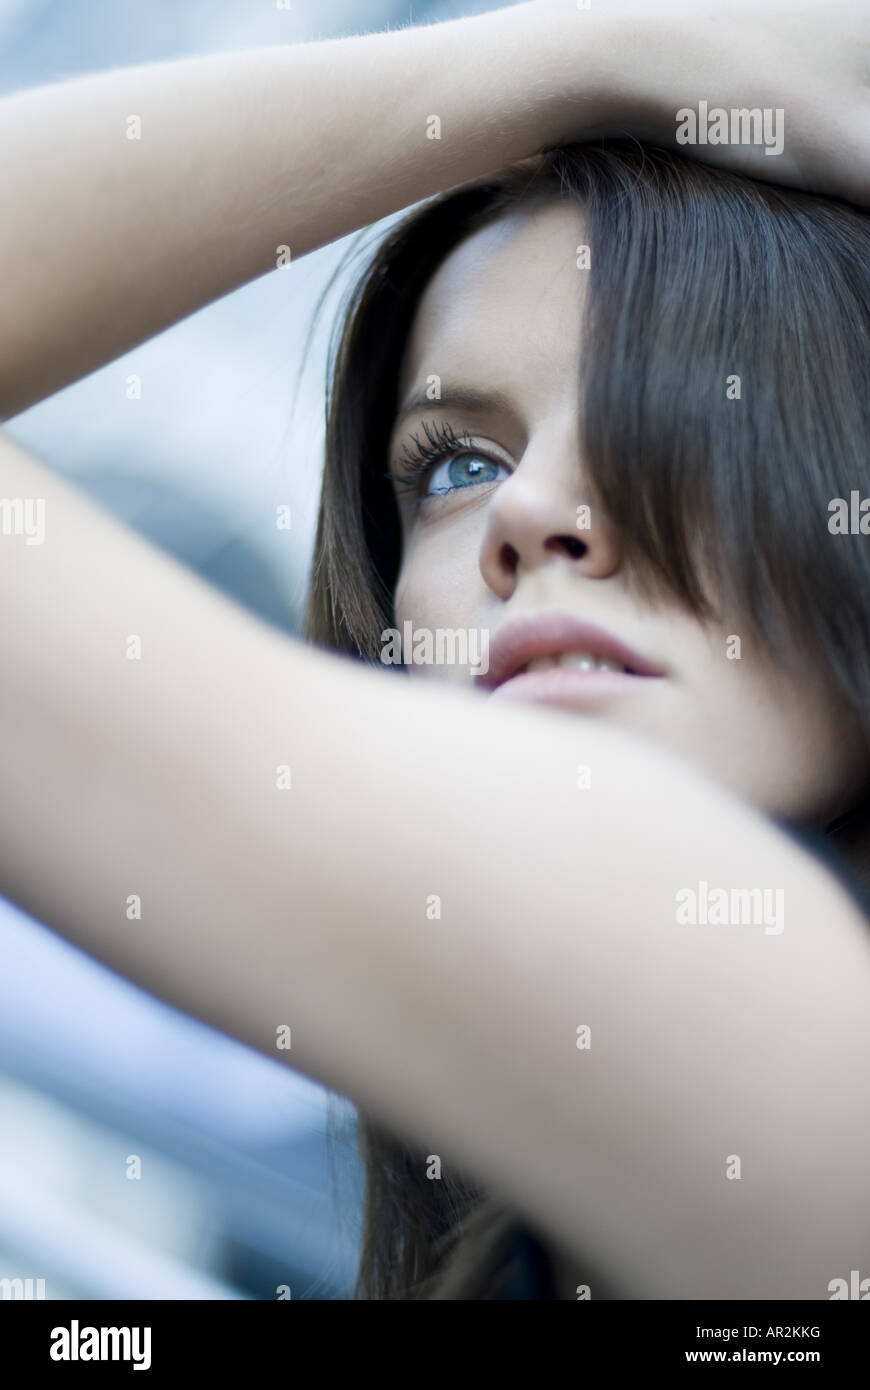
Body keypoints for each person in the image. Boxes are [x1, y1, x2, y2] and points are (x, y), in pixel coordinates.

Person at [1, 0, 869, 1301]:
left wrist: (591, 56)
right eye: (456, 464)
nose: (524, 514)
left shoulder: (750, 995)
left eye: (677, 399)